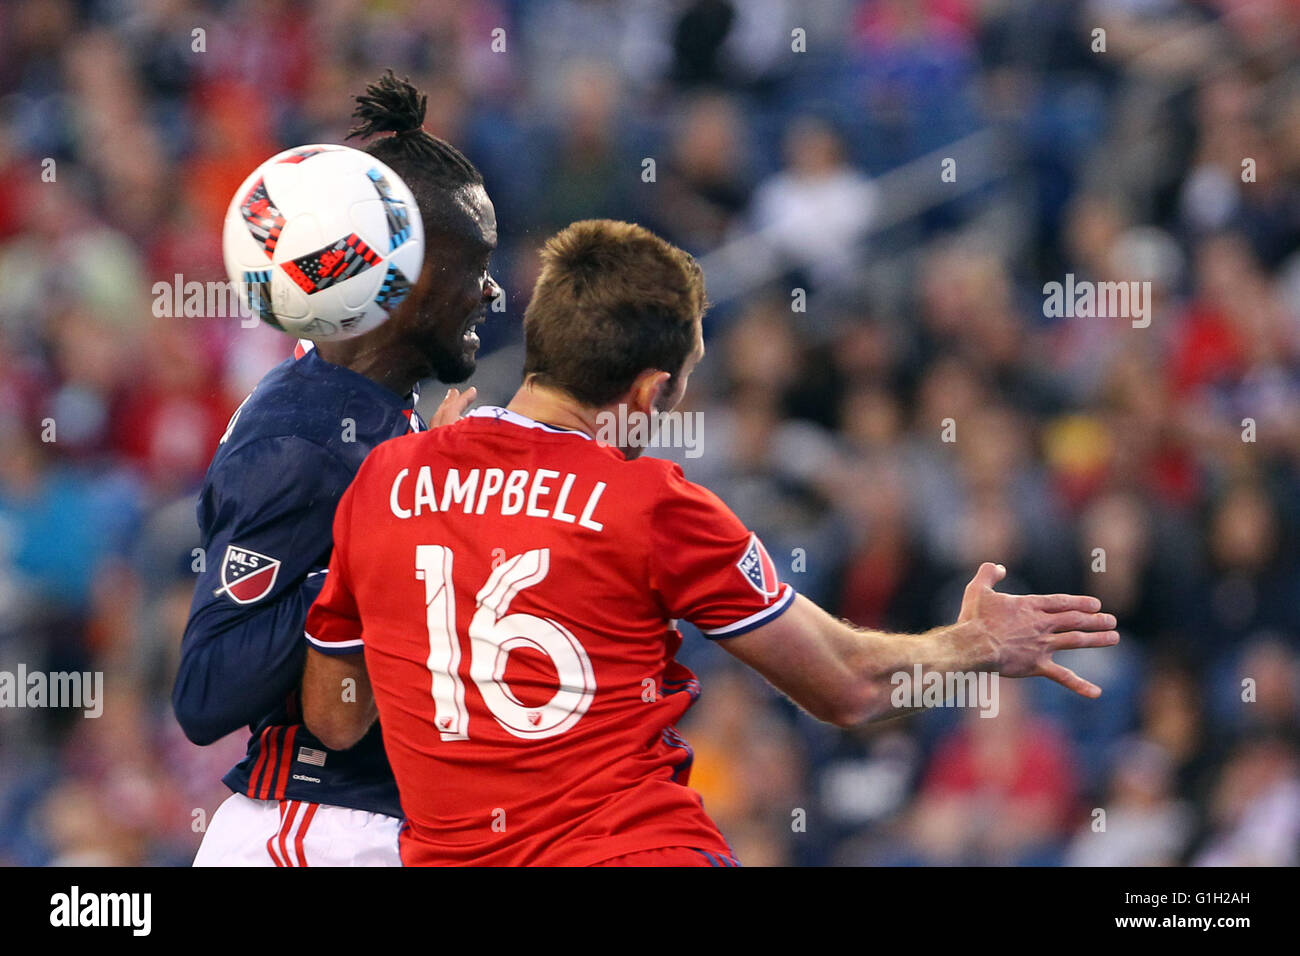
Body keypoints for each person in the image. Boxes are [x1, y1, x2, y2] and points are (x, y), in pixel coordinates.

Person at [300, 220, 1118, 867]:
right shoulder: (652, 504)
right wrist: (973, 643)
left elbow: (334, 719)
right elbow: (849, 690)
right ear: (652, 389)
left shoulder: (386, 480)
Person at [173, 71, 500, 866]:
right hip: (311, 829)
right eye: (476, 265)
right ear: (412, 274)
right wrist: (385, 528)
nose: (492, 292)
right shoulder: (304, 430)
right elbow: (207, 690)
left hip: (387, 828)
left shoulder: (384, 420)